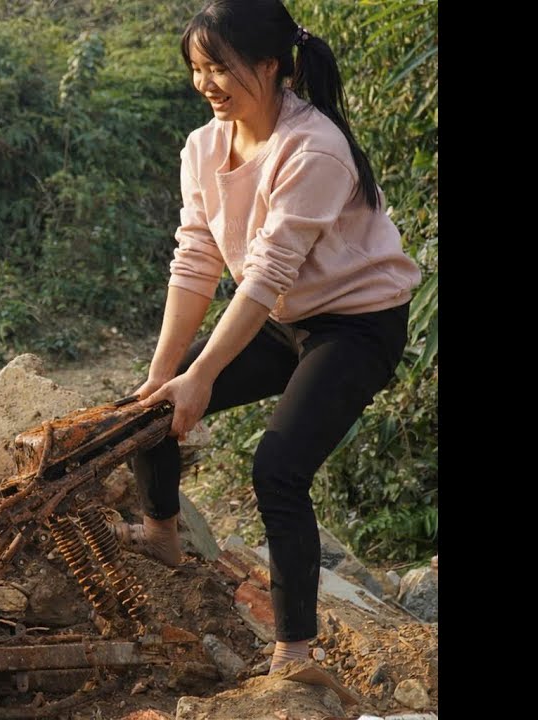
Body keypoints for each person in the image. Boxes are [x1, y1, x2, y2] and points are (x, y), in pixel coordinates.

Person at [115, 0, 422, 673]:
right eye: (197, 70)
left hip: (356, 323)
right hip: (281, 316)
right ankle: (163, 531)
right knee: (148, 409)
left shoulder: (314, 149)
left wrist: (201, 376)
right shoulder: (202, 148)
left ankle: (294, 651)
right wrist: (166, 373)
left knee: (277, 469)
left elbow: (264, 274)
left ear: (272, 65)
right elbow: (196, 260)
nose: (206, 84)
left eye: (220, 68)